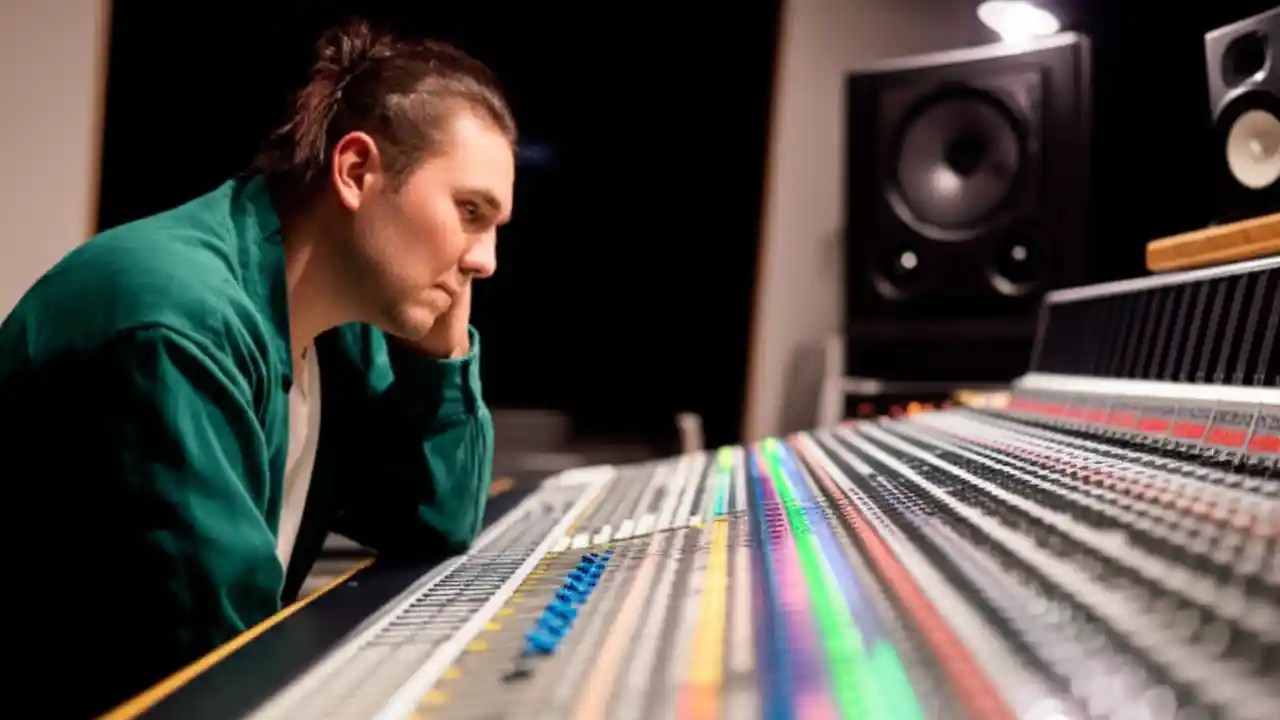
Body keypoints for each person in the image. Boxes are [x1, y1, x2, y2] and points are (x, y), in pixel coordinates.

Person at [0, 17, 514, 717]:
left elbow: (435, 523)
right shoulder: (179, 320)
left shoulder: (335, 325)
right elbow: (219, 671)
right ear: (357, 170)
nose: (485, 260)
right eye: (469, 212)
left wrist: (441, 348)